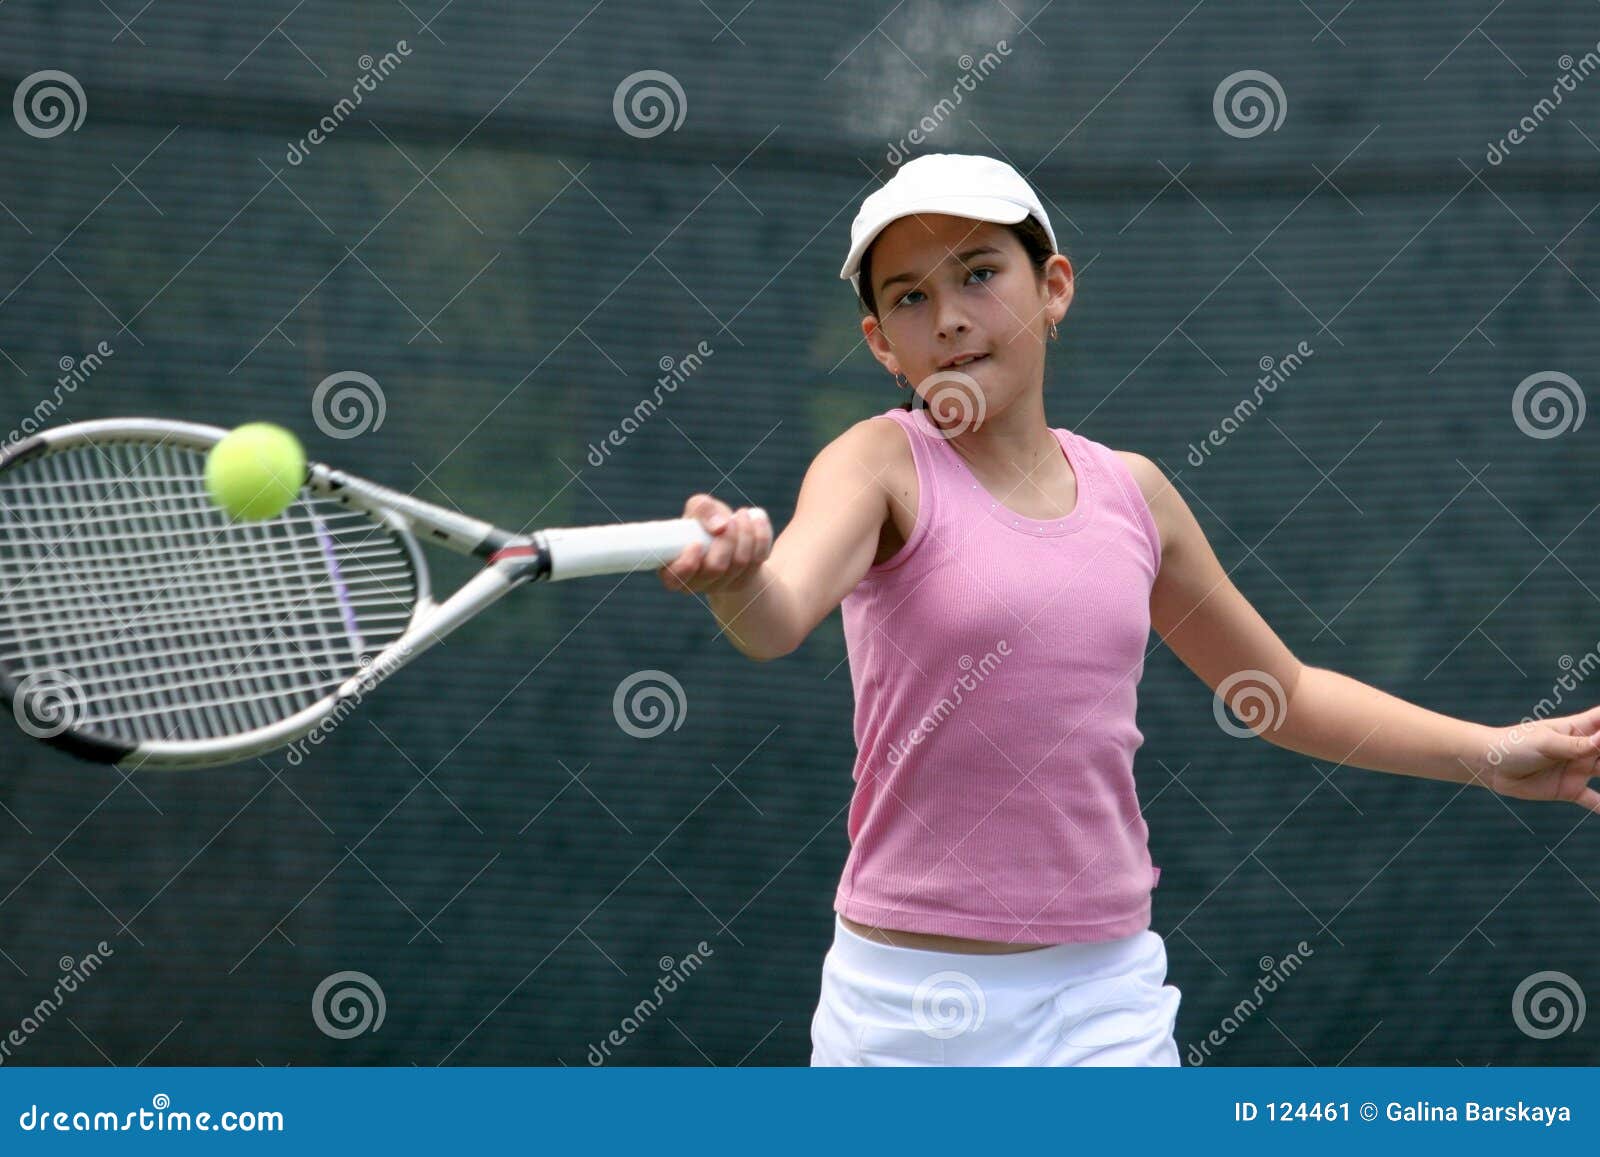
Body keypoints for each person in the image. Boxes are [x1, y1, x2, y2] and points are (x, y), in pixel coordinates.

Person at [657, 153, 1600, 1066]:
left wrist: (1488, 751)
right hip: (902, 1010)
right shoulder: (875, 463)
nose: (948, 318)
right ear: (880, 343)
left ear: (1053, 286)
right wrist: (738, 577)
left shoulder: (1135, 496)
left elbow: (1287, 694)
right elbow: (777, 617)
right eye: (908, 297)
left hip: (1101, 1002)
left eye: (980, 273)